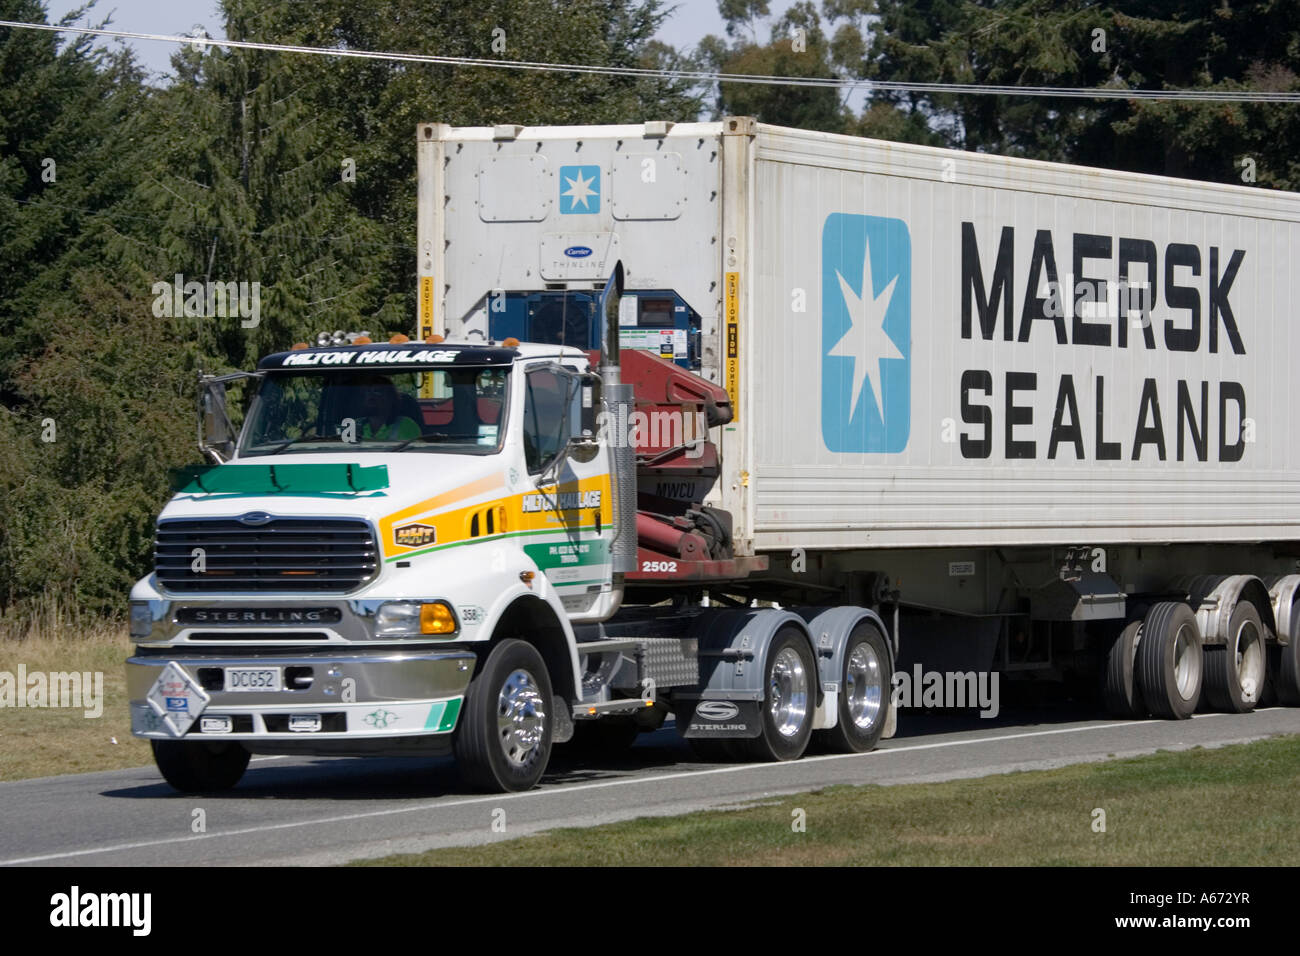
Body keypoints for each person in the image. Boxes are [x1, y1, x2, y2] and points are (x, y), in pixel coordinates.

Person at [353, 374, 420, 441]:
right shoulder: (354, 425)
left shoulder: (407, 425)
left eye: (377, 391)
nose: (370, 396)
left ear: (390, 398)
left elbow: (418, 449)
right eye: (367, 392)